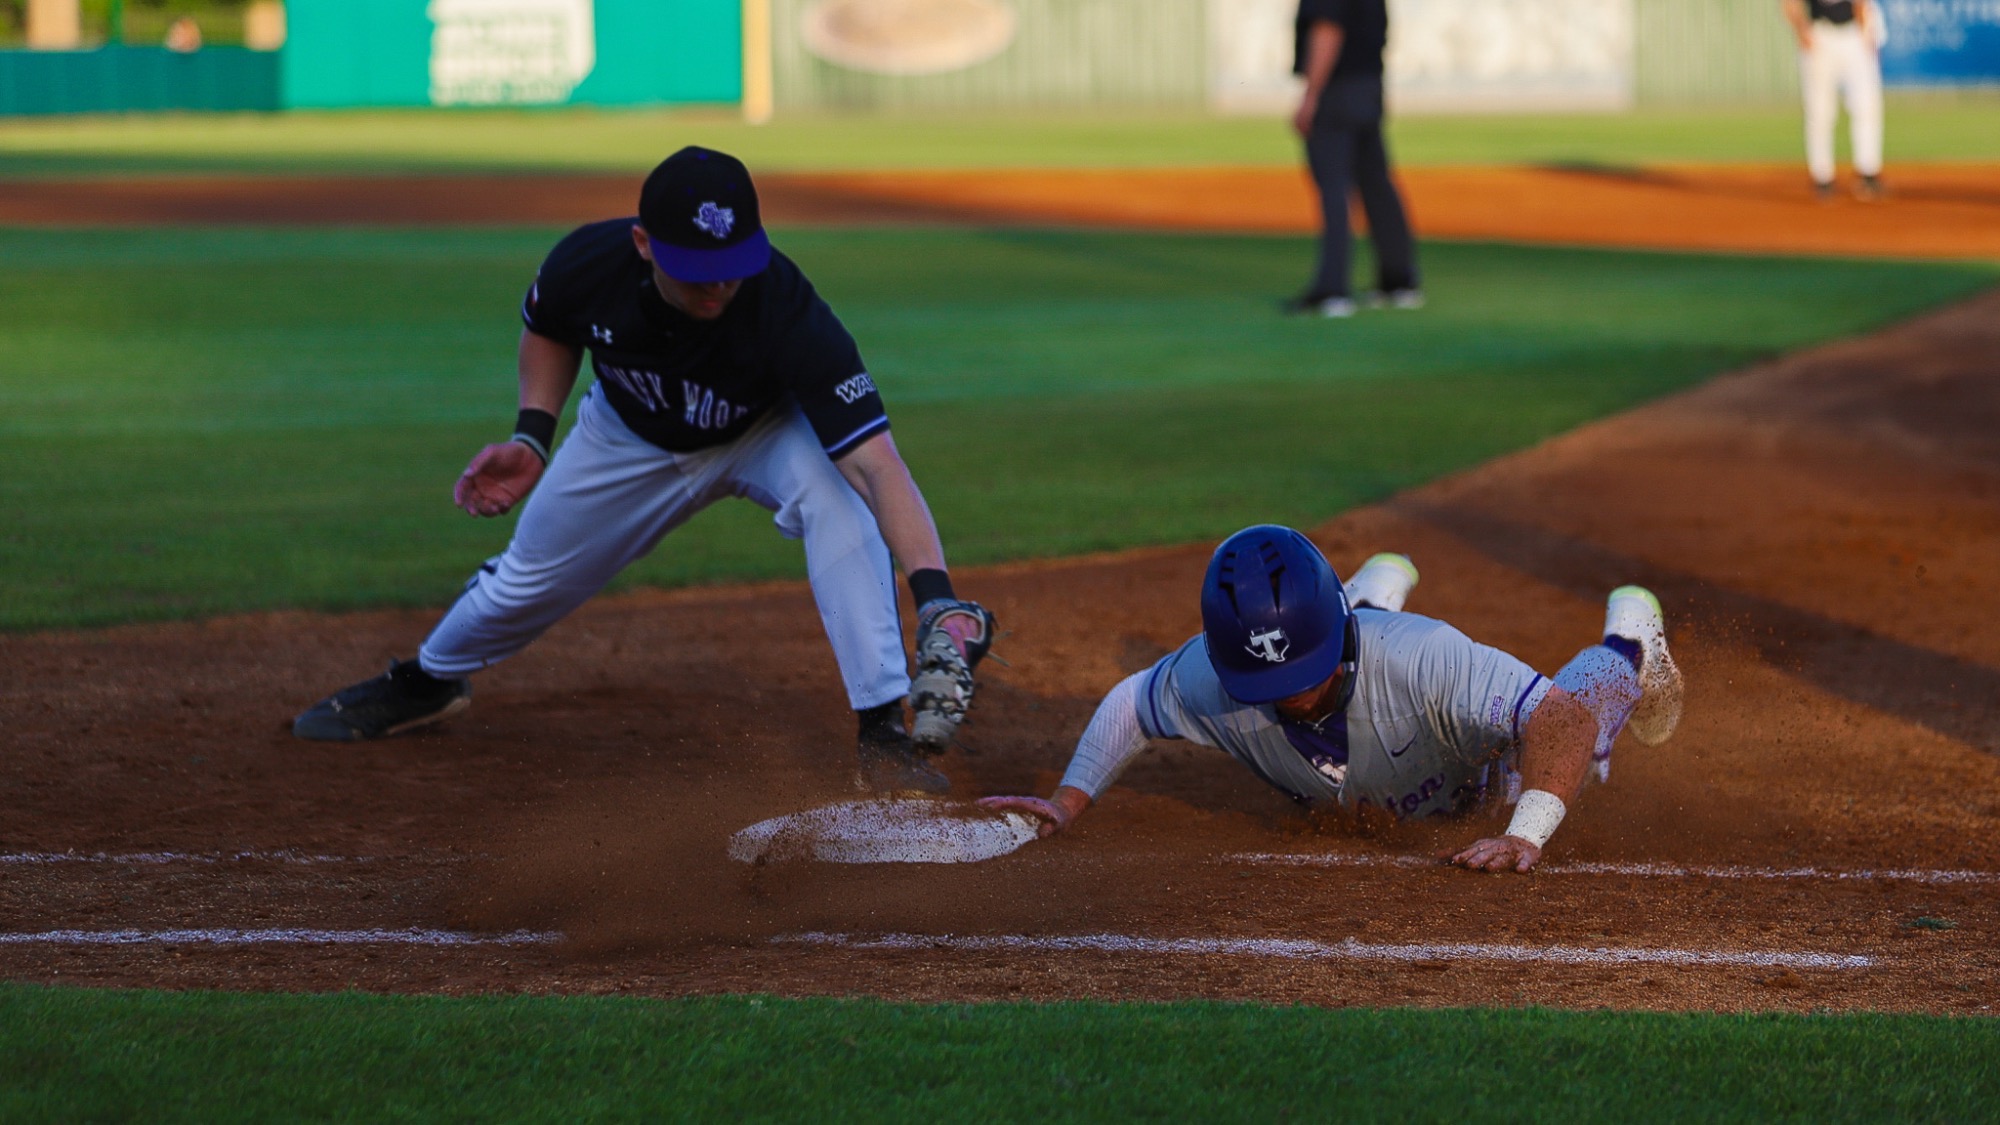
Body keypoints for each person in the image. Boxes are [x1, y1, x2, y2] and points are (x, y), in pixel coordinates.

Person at [292, 146, 996, 795]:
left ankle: (881, 732)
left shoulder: (785, 306)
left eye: (733, 260)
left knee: (841, 502)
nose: (720, 281)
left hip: (764, 431)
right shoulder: (589, 264)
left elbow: (877, 463)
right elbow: (549, 328)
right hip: (625, 436)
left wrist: (935, 597)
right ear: (643, 244)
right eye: (696, 265)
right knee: (523, 583)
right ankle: (427, 680)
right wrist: (533, 433)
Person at [980, 526, 1684, 873]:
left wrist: (1525, 830)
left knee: (1584, 738)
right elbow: (1133, 702)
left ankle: (1629, 638)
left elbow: (1556, 715)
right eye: (1266, 684)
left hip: (1485, 772)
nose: (1285, 698)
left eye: (1303, 675)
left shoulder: (1427, 656)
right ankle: (1370, 590)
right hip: (1353, 643)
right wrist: (1068, 800)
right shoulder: (1211, 676)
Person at [1285, 0, 1420, 319]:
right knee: (1377, 183)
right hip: (1368, 86)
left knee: (1333, 187)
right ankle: (1399, 281)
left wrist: (1311, 95)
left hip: (1337, 90)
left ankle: (1332, 289)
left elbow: (1327, 30)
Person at [1783, 0, 1885, 199]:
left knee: (1867, 105)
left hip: (1853, 32)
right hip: (1820, 33)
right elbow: (1790, 3)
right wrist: (1801, 29)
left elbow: (1862, 4)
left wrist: (1866, 31)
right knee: (1819, 111)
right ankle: (1823, 177)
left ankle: (1868, 173)